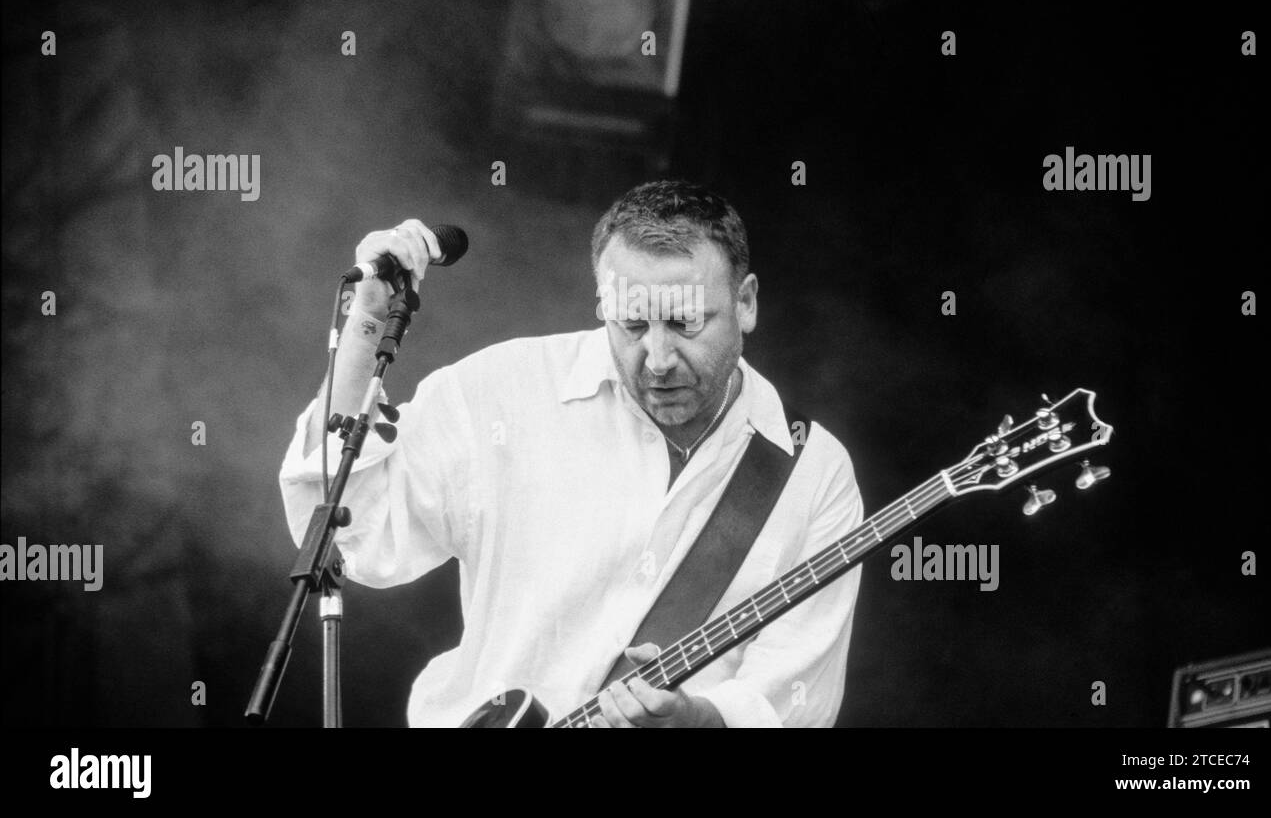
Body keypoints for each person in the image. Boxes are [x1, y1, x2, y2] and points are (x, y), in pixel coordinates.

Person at [278, 180, 864, 727]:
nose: (658, 358)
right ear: (601, 303)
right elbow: (343, 533)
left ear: (747, 303)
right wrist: (366, 324)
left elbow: (795, 701)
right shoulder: (501, 392)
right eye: (631, 323)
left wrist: (695, 719)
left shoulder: (812, 473)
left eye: (685, 324)